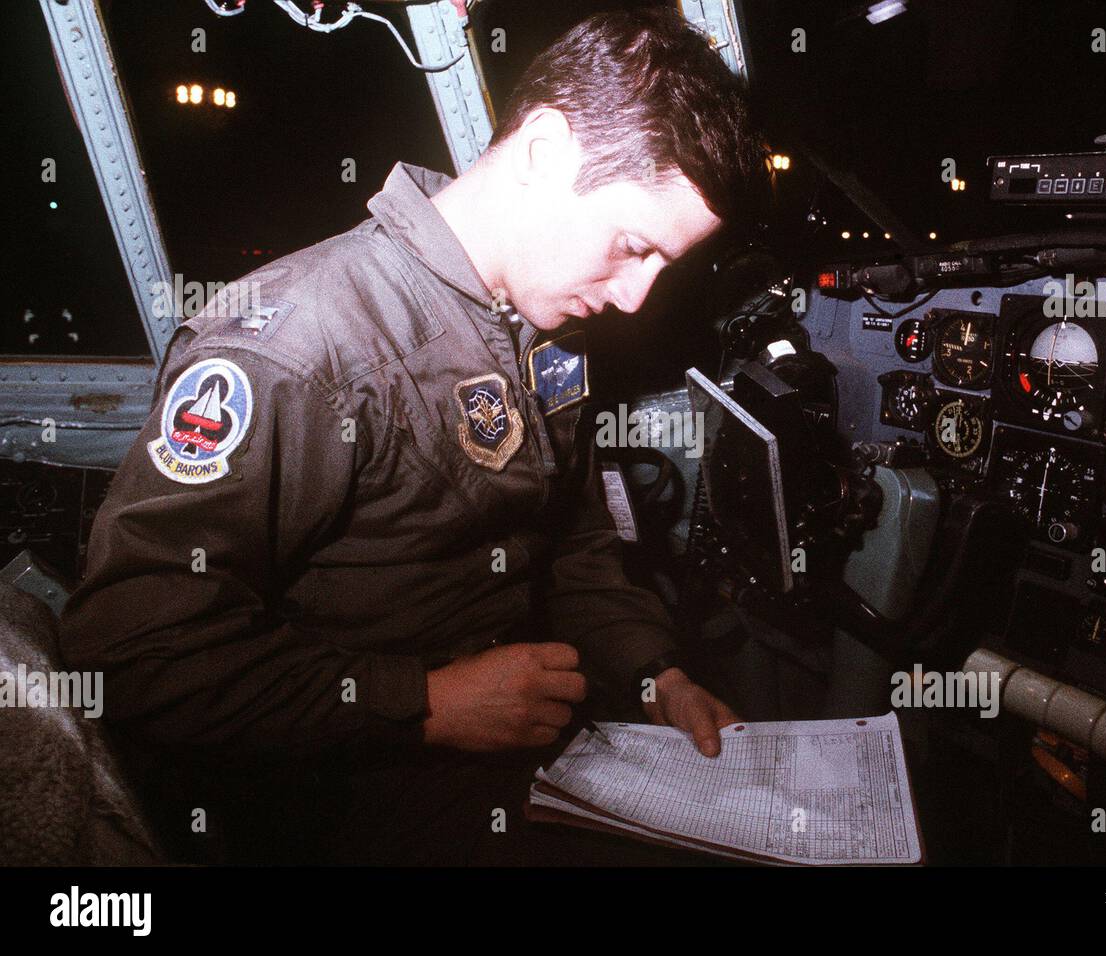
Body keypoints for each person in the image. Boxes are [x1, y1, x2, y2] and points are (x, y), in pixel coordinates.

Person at [58, 8, 768, 865]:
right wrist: (423, 704)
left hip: (509, 764)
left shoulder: (546, 334)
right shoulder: (298, 346)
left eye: (664, 266)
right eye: (630, 246)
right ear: (545, 151)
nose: (633, 299)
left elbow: (573, 546)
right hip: (335, 802)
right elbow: (132, 657)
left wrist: (657, 675)